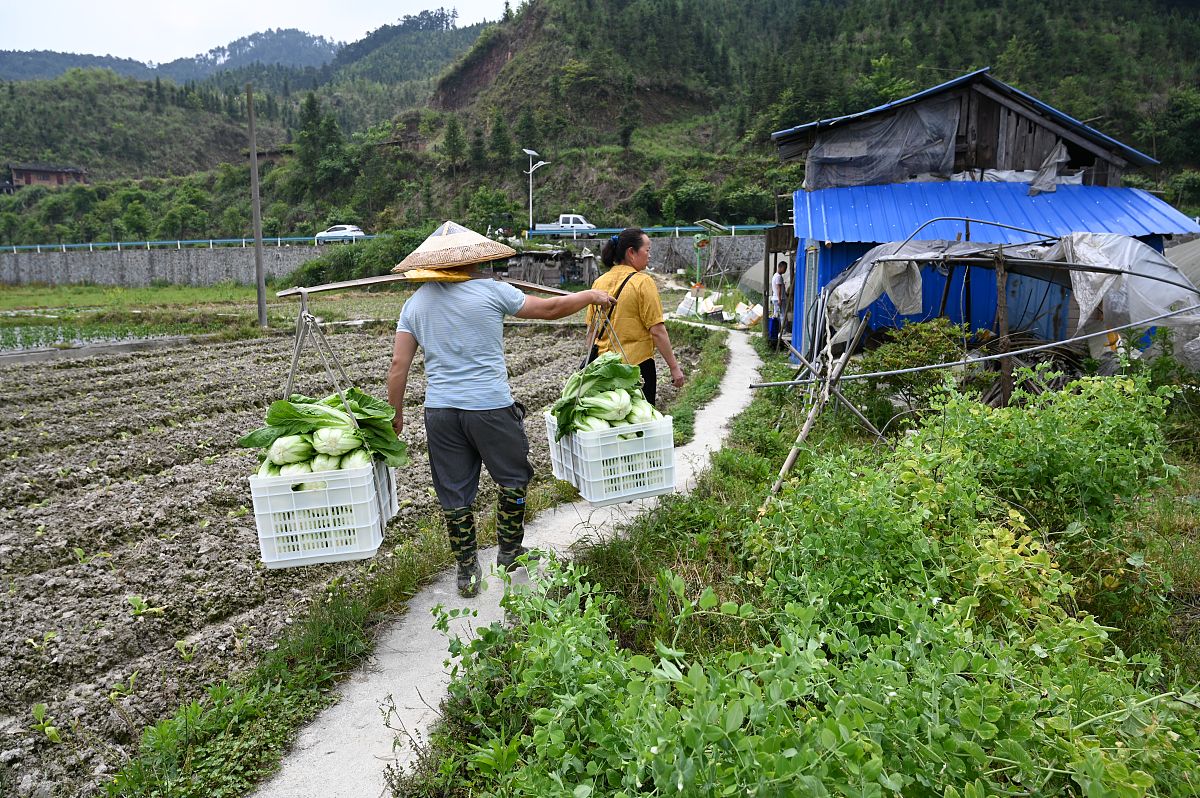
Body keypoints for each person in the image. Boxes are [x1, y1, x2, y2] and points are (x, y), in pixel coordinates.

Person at [387, 221, 615, 598]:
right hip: (490, 407)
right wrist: (590, 296)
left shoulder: (414, 304)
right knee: (513, 479)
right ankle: (509, 552)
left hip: (441, 412)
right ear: (473, 259)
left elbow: (399, 366)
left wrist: (395, 415)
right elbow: (550, 309)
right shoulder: (492, 292)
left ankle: (466, 570)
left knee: (454, 493)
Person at [585, 227, 684, 405]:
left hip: (603, 369)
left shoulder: (599, 282)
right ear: (631, 252)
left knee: (611, 421)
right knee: (639, 421)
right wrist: (674, 368)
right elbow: (657, 331)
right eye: (647, 250)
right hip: (636, 368)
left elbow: (591, 331)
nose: (649, 255)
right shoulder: (643, 282)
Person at [769, 260, 788, 351]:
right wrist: (780, 299)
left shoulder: (775, 276)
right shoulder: (778, 277)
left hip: (776, 298)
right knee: (782, 315)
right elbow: (778, 289)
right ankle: (783, 331)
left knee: (776, 314)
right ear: (780, 267)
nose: (785, 270)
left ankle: (776, 330)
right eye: (784, 268)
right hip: (779, 299)